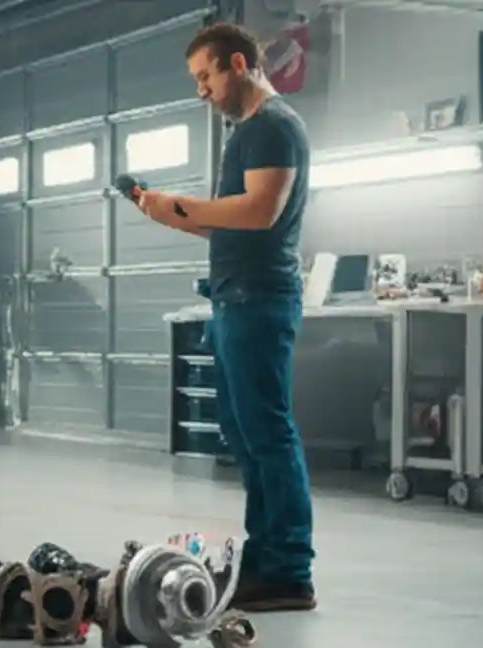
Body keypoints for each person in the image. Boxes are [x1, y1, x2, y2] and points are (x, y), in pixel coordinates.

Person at [135, 21, 316, 612]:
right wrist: (165, 211)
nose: (201, 90)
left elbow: (261, 211)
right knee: (244, 433)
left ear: (237, 64)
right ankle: (265, 561)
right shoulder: (249, 132)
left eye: (205, 75)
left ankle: (288, 569)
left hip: (259, 298)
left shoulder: (273, 127)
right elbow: (226, 219)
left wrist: (180, 206)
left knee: (267, 431)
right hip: (235, 297)